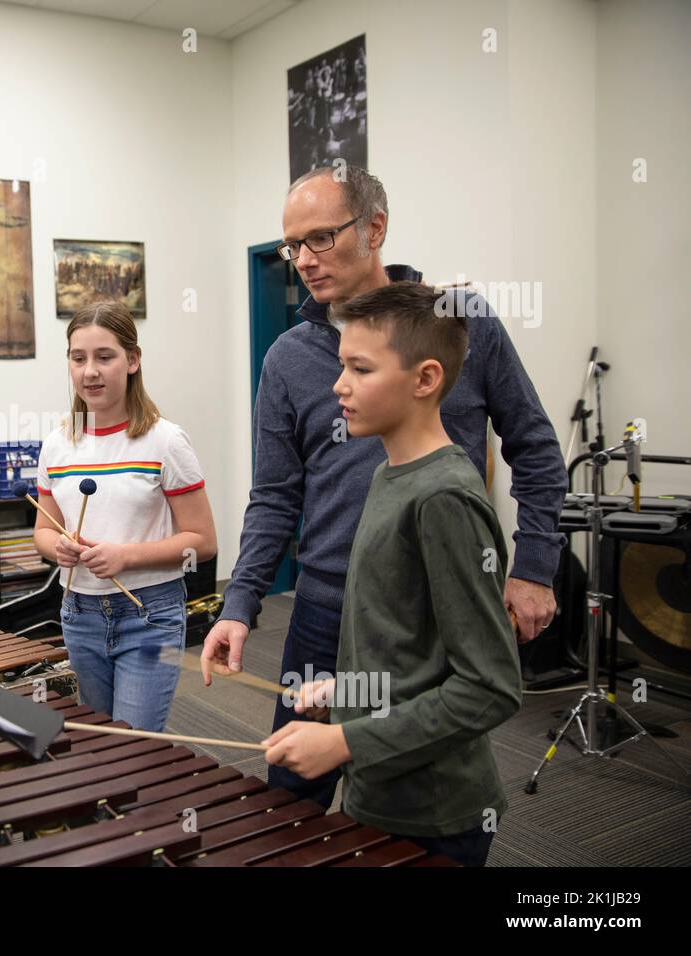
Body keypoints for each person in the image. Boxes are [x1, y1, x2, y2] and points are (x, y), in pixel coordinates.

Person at [201, 165, 565, 807]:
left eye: (320, 238)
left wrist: (534, 565)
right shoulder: (287, 357)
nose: (303, 261)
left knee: (419, 789)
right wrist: (240, 602)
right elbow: (275, 493)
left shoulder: (457, 322)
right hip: (324, 608)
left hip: (429, 611)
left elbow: (534, 446)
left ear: (375, 228)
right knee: (290, 800)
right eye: (292, 247)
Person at [262, 281, 522, 867]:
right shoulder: (388, 475)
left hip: (433, 813)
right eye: (340, 366)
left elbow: (489, 687)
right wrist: (346, 692)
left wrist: (344, 741)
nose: (339, 386)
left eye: (360, 368)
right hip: (376, 792)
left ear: (425, 379)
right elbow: (407, 648)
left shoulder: (443, 499)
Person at [34, 301, 217, 732]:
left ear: (133, 360)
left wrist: (126, 557)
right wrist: (58, 547)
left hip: (147, 614)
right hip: (78, 613)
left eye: (105, 357)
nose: (89, 372)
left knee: (133, 748)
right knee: (99, 749)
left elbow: (203, 542)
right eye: (78, 359)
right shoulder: (57, 446)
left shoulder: (165, 441)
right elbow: (43, 531)